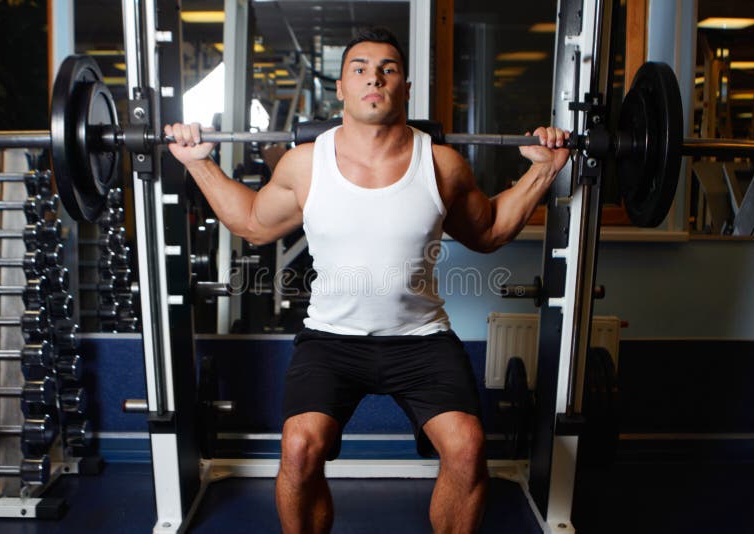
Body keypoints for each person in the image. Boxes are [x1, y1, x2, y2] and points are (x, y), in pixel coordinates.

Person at [166, 26, 569, 534]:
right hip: (332, 340)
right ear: (341, 88)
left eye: (388, 69)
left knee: (467, 449)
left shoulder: (441, 164)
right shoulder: (306, 164)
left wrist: (543, 172)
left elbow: (487, 231)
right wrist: (197, 163)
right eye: (359, 69)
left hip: (420, 340)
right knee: (298, 449)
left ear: (403, 88)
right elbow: (252, 222)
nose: (373, 78)